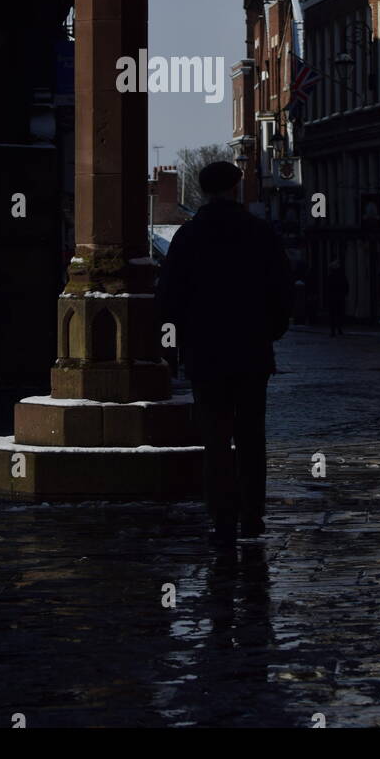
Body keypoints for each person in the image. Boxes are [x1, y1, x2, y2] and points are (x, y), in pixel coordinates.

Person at [157, 161, 294, 547]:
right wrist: (270, 331)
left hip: (205, 352)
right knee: (252, 434)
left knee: (215, 437)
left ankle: (221, 514)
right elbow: (283, 290)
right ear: (236, 188)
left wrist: (176, 343)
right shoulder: (259, 233)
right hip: (251, 351)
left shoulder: (188, 237)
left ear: (202, 190)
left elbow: (169, 298)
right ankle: (252, 514)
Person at [325, 259, 349, 336]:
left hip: (332, 298)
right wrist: (344, 294)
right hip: (340, 297)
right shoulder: (342, 276)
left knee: (332, 314)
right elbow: (346, 286)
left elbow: (328, 288)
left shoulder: (330, 277)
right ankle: (339, 329)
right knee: (339, 313)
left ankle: (333, 331)